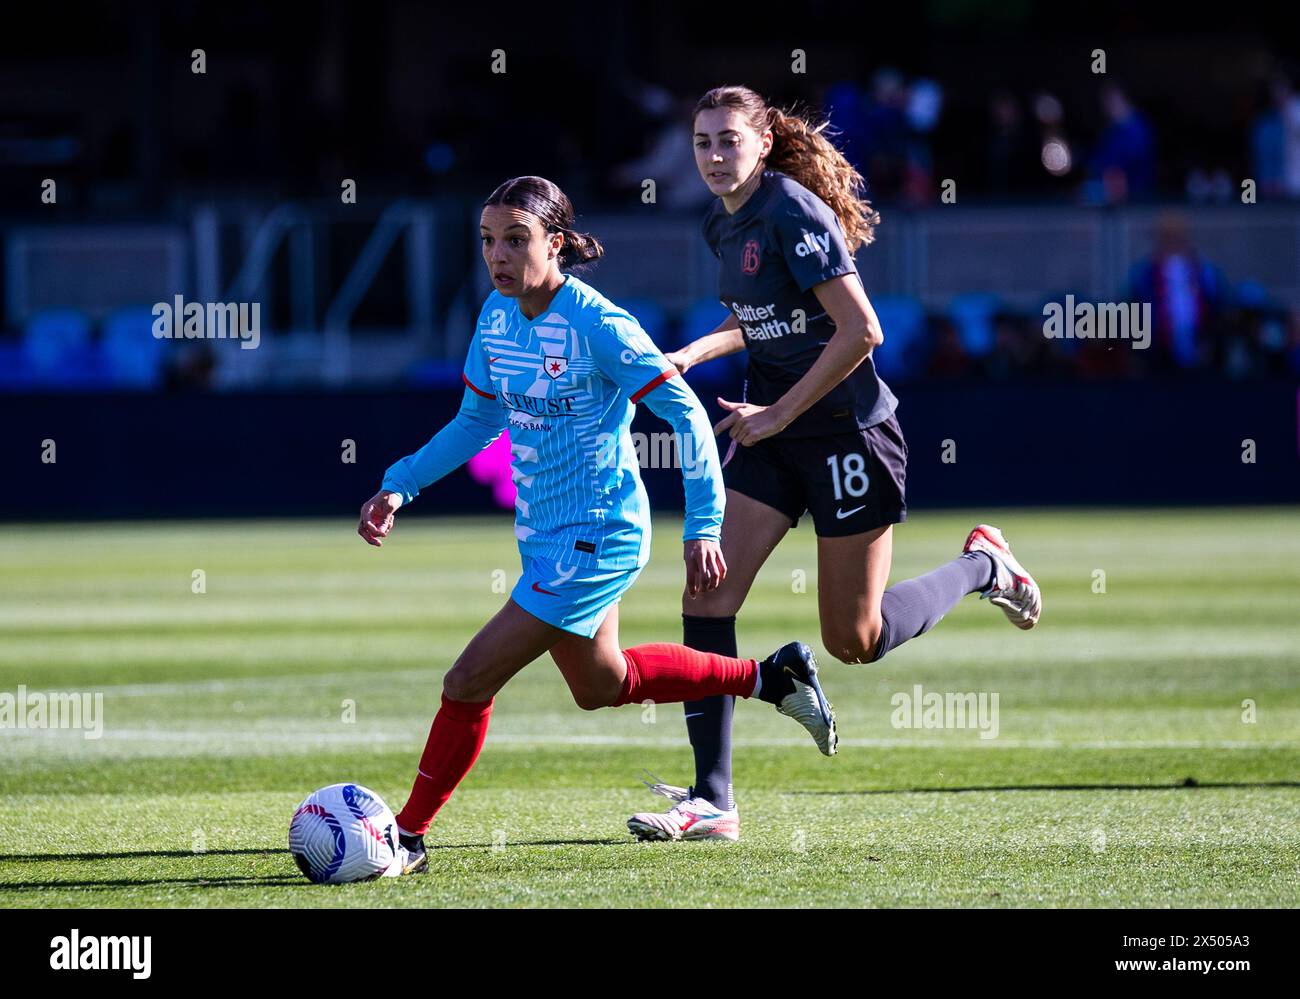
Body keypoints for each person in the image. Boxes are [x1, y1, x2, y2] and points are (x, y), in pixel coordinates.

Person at [357, 175, 837, 873]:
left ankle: (408, 837)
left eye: (515, 239)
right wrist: (399, 484)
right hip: (546, 537)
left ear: (555, 243)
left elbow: (686, 414)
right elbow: (475, 421)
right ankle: (773, 678)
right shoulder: (495, 318)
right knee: (601, 685)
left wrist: (704, 524)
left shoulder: (598, 324)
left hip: (600, 535)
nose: (498, 254)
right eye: (488, 239)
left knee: (466, 680)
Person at [627, 86, 1042, 843]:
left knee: (855, 639)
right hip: (775, 433)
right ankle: (713, 800)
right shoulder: (722, 223)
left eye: (728, 141)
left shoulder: (790, 209)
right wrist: (694, 350)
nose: (714, 156)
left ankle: (984, 566)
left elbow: (862, 330)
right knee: (707, 594)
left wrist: (779, 412)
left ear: (762, 143)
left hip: (849, 434)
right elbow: (759, 316)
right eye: (702, 143)